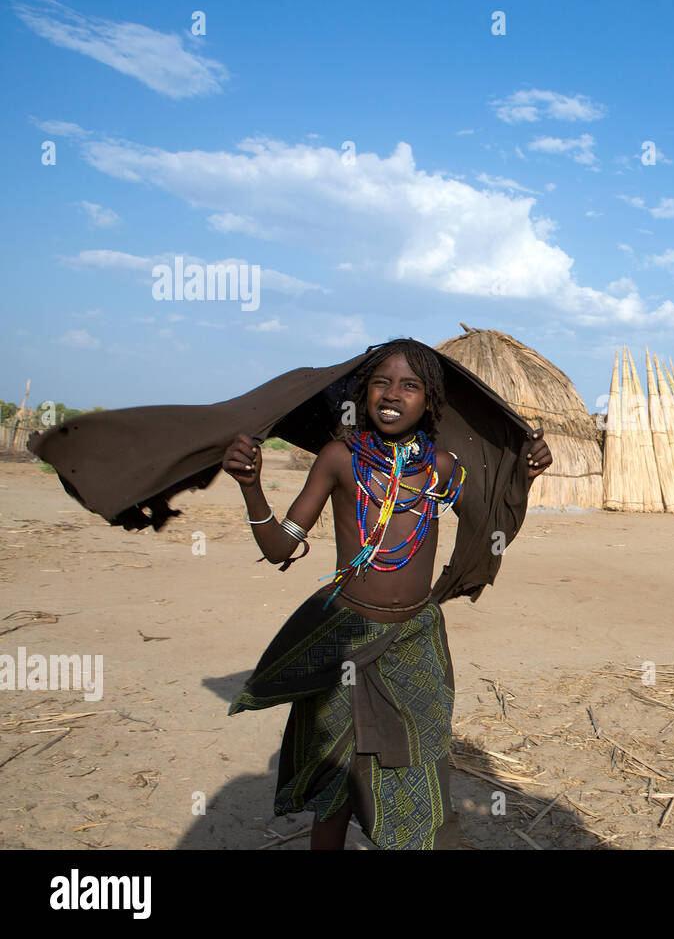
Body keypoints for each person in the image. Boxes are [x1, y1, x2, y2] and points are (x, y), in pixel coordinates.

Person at [225, 338, 552, 849]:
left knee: (417, 767)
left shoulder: (440, 469)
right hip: (345, 634)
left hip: (414, 643)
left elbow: (491, 528)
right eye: (380, 382)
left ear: (429, 400)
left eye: (409, 385)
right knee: (333, 779)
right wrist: (250, 486)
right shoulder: (339, 458)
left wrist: (524, 480)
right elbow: (279, 547)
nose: (392, 394)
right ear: (363, 393)